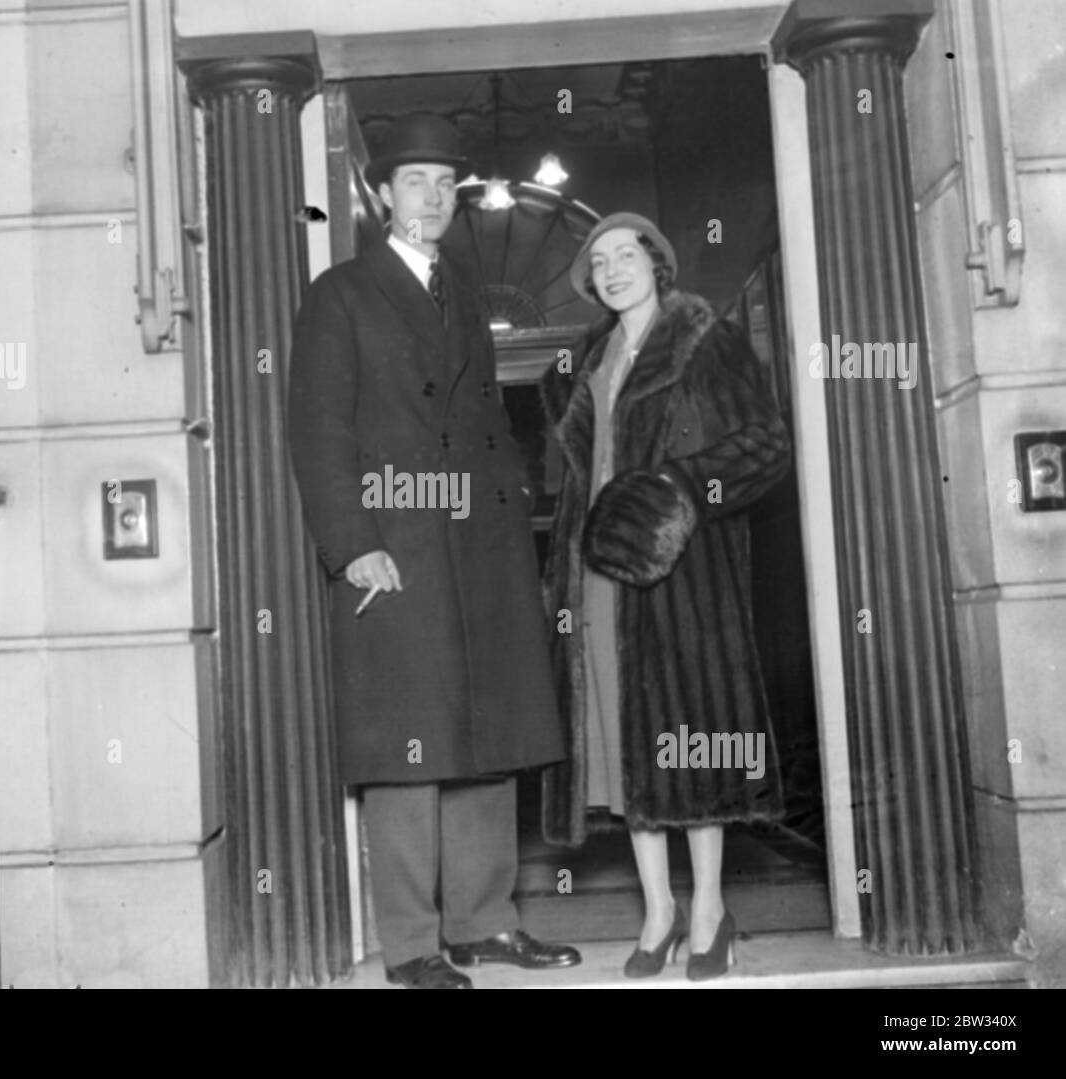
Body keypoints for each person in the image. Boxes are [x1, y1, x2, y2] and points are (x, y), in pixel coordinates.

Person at [287, 114, 581, 989]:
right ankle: (413, 946)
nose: (433, 197)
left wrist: (516, 502)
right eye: (415, 181)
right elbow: (317, 430)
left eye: (445, 184)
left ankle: (484, 923)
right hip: (397, 547)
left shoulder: (457, 287)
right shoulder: (340, 293)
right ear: (382, 196)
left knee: (487, 732)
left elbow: (485, 421)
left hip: (480, 547)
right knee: (409, 742)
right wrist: (353, 548)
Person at [539, 211, 790, 981]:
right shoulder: (589, 357)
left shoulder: (704, 340)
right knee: (626, 748)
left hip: (684, 576)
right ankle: (659, 911)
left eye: (626, 254)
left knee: (690, 737)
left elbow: (766, 445)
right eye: (599, 261)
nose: (613, 268)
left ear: (658, 260)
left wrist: (680, 490)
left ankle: (710, 909)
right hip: (599, 578)